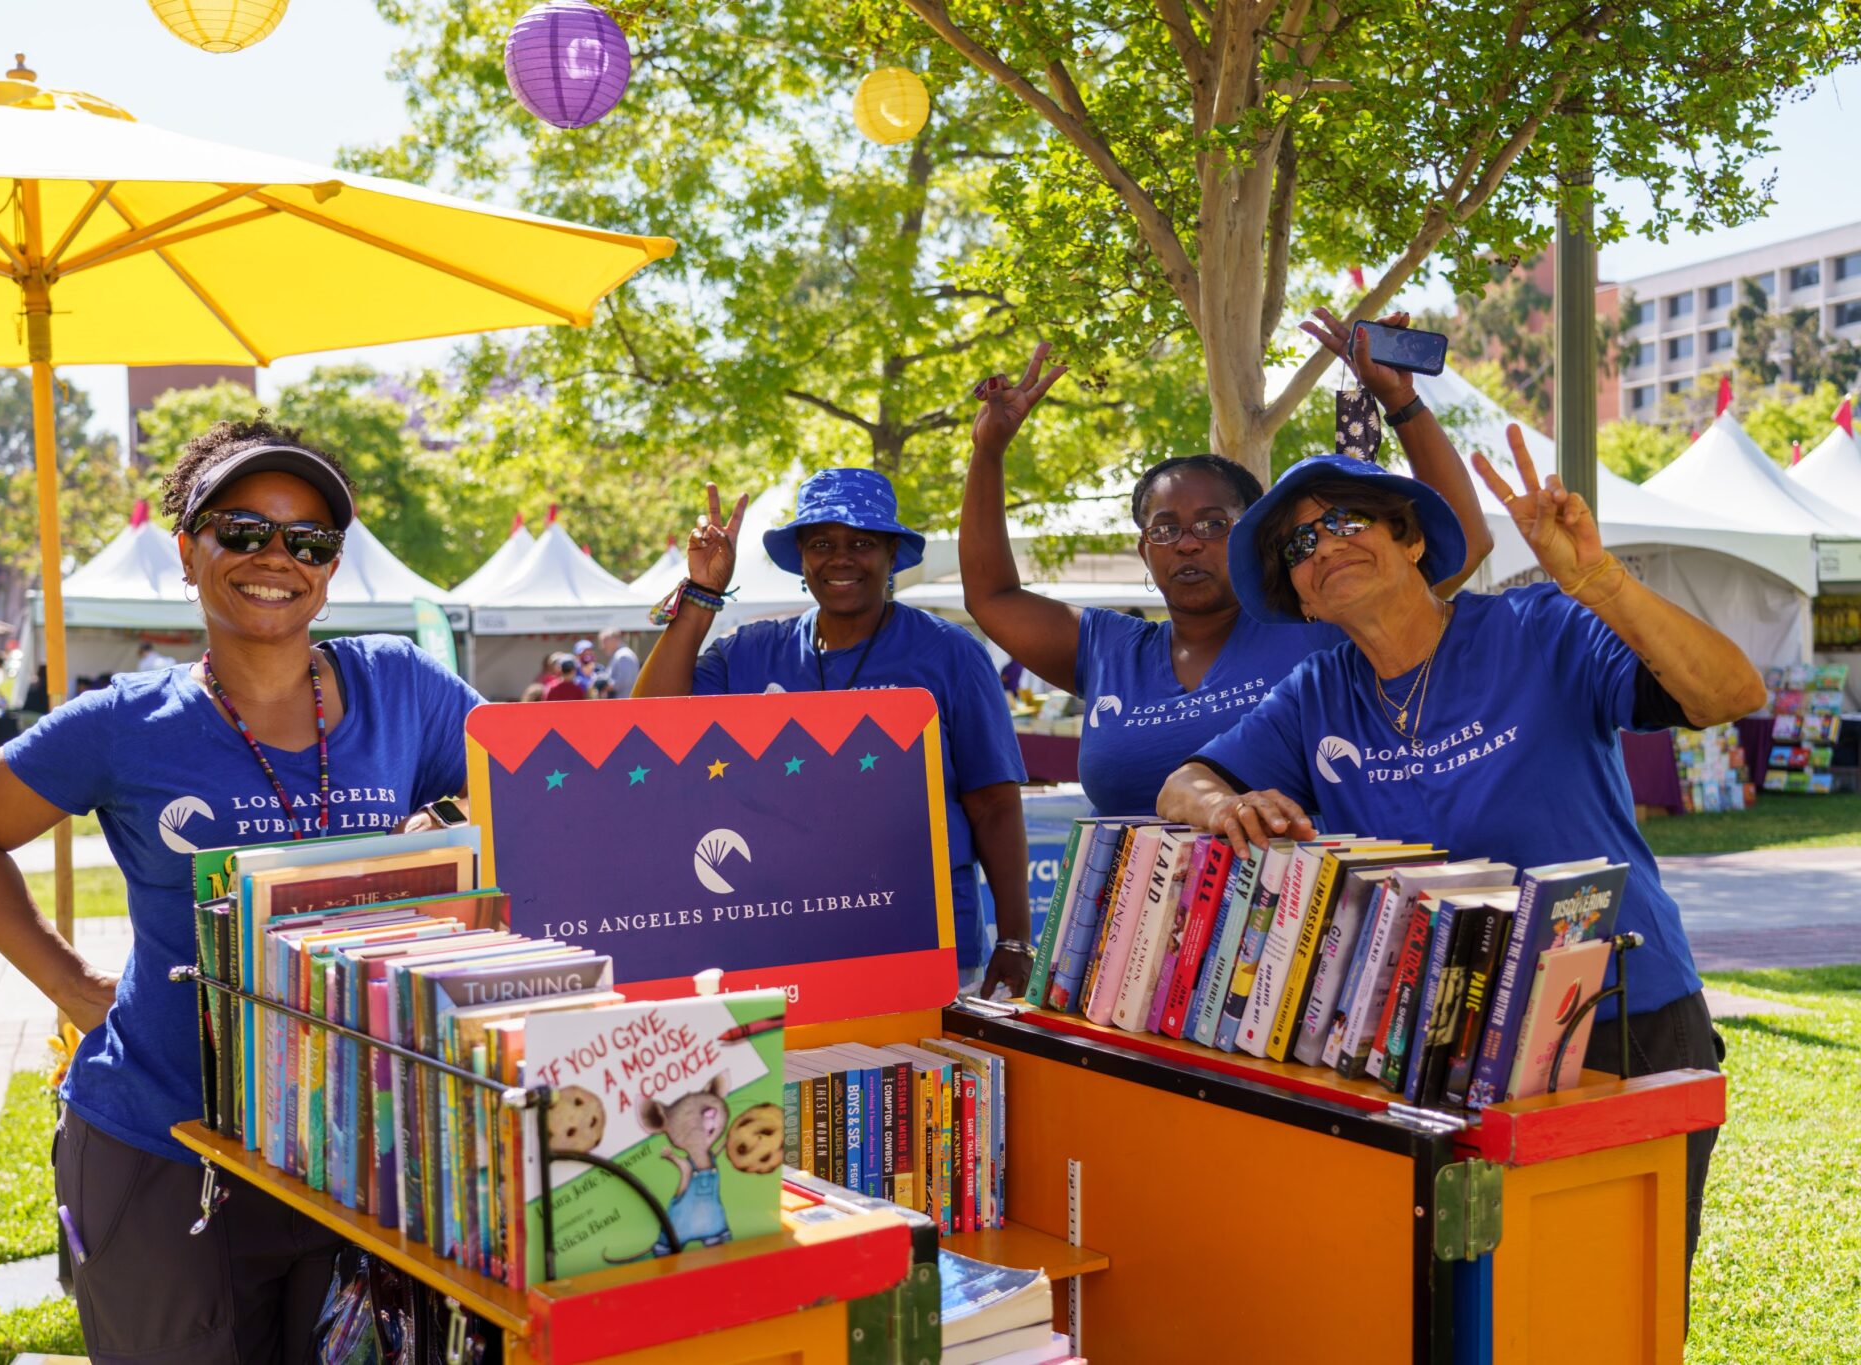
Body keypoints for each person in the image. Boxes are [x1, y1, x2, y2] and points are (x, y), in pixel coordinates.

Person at [0, 419, 485, 1363]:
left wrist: (449, 827)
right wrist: (71, 987)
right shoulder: (123, 723)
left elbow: (540, 784)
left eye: (308, 541)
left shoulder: (404, 688)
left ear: (331, 565)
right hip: (164, 1143)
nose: (276, 558)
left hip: (358, 1150)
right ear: (189, 549)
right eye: (242, 529)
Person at [1153, 429, 1765, 1290]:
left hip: (1621, 1016)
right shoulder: (1317, 695)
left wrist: (1596, 580)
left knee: (1619, 1295)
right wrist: (1225, 803)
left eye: (1348, 520)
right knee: (1471, 1305)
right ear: (1301, 596)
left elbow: (1731, 693)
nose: (1325, 544)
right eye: (1299, 543)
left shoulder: (1540, 627)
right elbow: (1183, 781)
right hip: (1436, 1036)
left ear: (1409, 539)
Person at [960, 312, 1493, 816]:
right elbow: (992, 598)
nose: (1188, 544)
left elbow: (1462, 539)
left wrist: (1401, 403)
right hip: (1120, 910)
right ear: (1146, 551)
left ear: (1254, 540)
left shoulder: (1318, 621)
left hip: (1289, 910)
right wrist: (988, 452)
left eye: (1214, 524)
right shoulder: (1108, 649)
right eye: (1166, 529)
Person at [633, 469, 1035, 999]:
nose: (840, 558)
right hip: (781, 945)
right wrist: (705, 593)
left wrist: (1015, 939)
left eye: (862, 543)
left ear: (892, 556)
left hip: (920, 940)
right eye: (822, 543)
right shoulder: (753, 653)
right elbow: (648, 726)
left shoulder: (950, 653)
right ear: (801, 559)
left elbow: (994, 806)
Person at [600, 628, 640, 698]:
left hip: (624, 703)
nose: (602, 646)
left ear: (614, 639)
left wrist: (605, 685)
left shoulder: (623, 656)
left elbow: (625, 682)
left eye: (604, 641)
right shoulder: (620, 654)